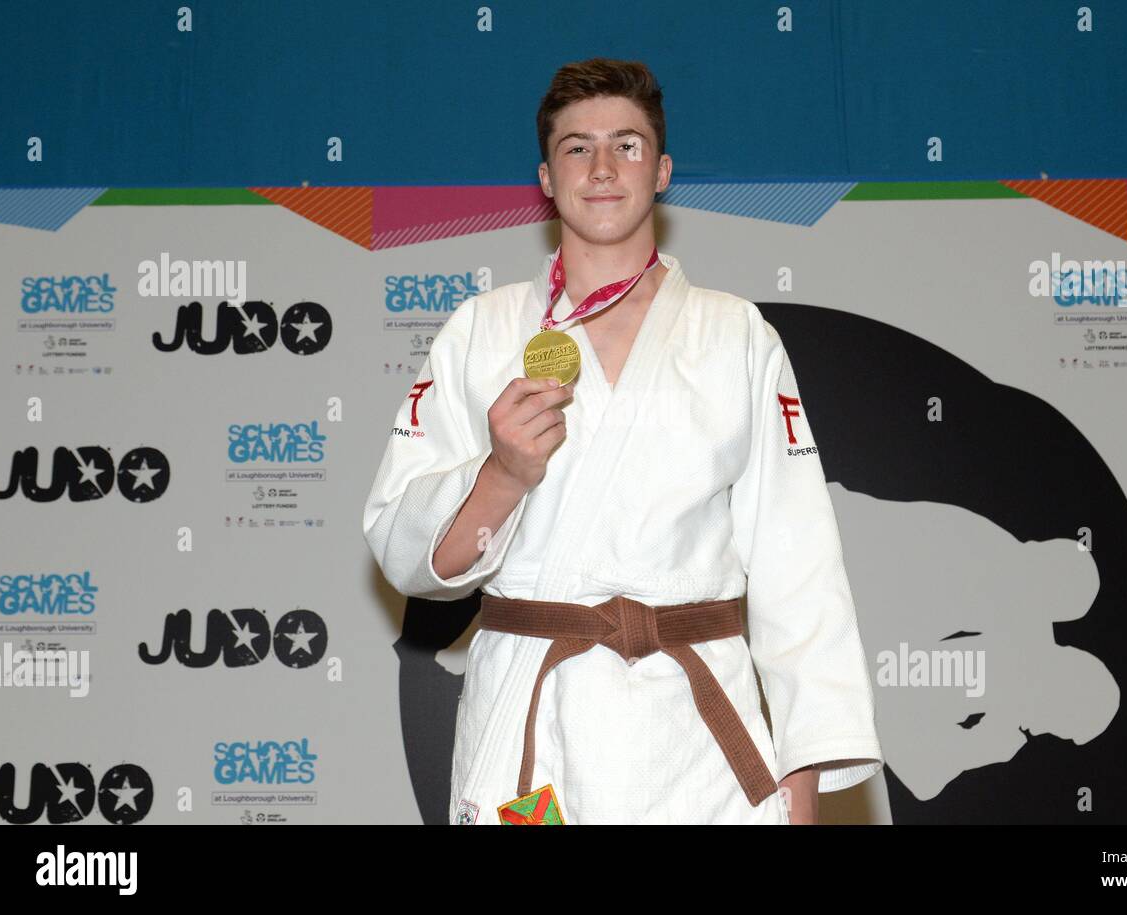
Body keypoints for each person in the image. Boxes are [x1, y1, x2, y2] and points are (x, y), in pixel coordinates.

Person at [363, 57, 882, 825]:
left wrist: (800, 784)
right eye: (577, 148)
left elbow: (797, 563)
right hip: (534, 728)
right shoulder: (481, 331)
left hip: (699, 736)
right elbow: (406, 556)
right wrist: (501, 474)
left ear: (662, 169)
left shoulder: (735, 335)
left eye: (627, 145)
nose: (602, 168)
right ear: (545, 176)